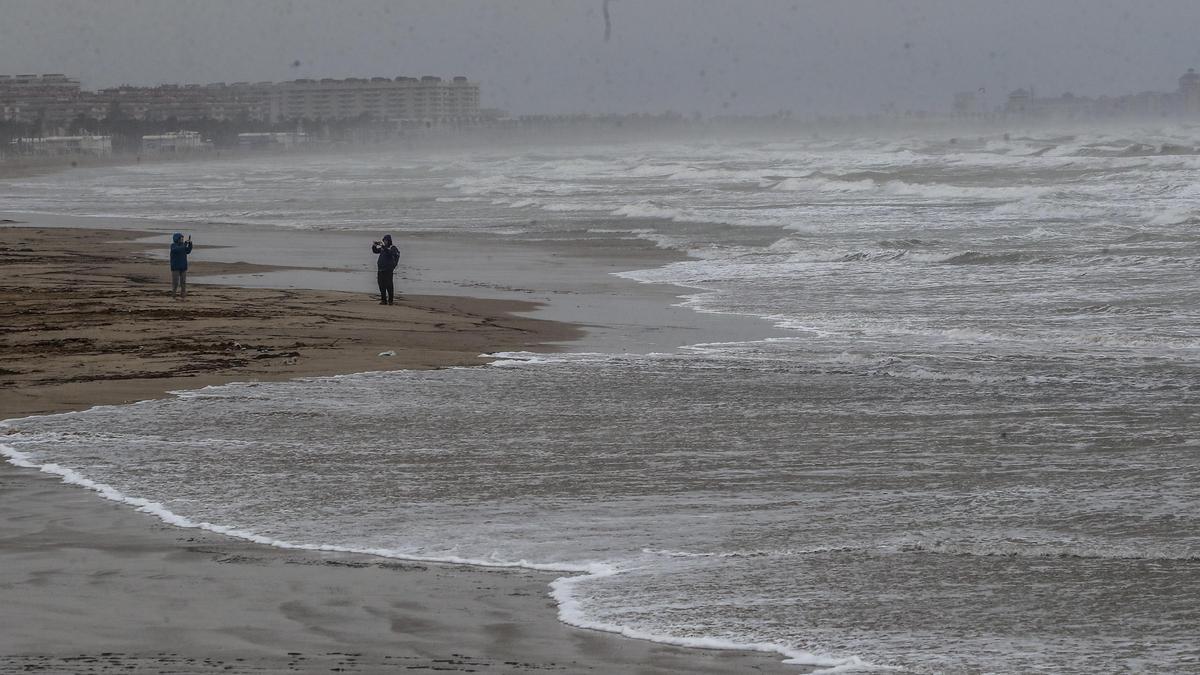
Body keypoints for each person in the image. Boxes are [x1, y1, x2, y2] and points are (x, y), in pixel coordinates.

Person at [371, 234, 400, 305]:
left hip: (388, 269)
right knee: (381, 285)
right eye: (384, 240)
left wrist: (383, 247)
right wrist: (374, 245)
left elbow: (390, 253)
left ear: (389, 241)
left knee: (389, 285)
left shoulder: (393, 248)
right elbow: (375, 251)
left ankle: (390, 300)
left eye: (386, 240)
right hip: (380, 269)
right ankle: (383, 300)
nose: (385, 242)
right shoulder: (383, 248)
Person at [169, 232, 193, 300]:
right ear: (177, 239)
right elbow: (177, 250)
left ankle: (183, 295)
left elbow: (188, 251)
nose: (182, 239)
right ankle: (173, 295)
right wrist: (184, 245)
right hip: (175, 267)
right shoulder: (173, 246)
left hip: (183, 267)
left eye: (182, 238)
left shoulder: (183, 246)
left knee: (183, 282)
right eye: (181, 238)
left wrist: (190, 244)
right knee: (175, 283)